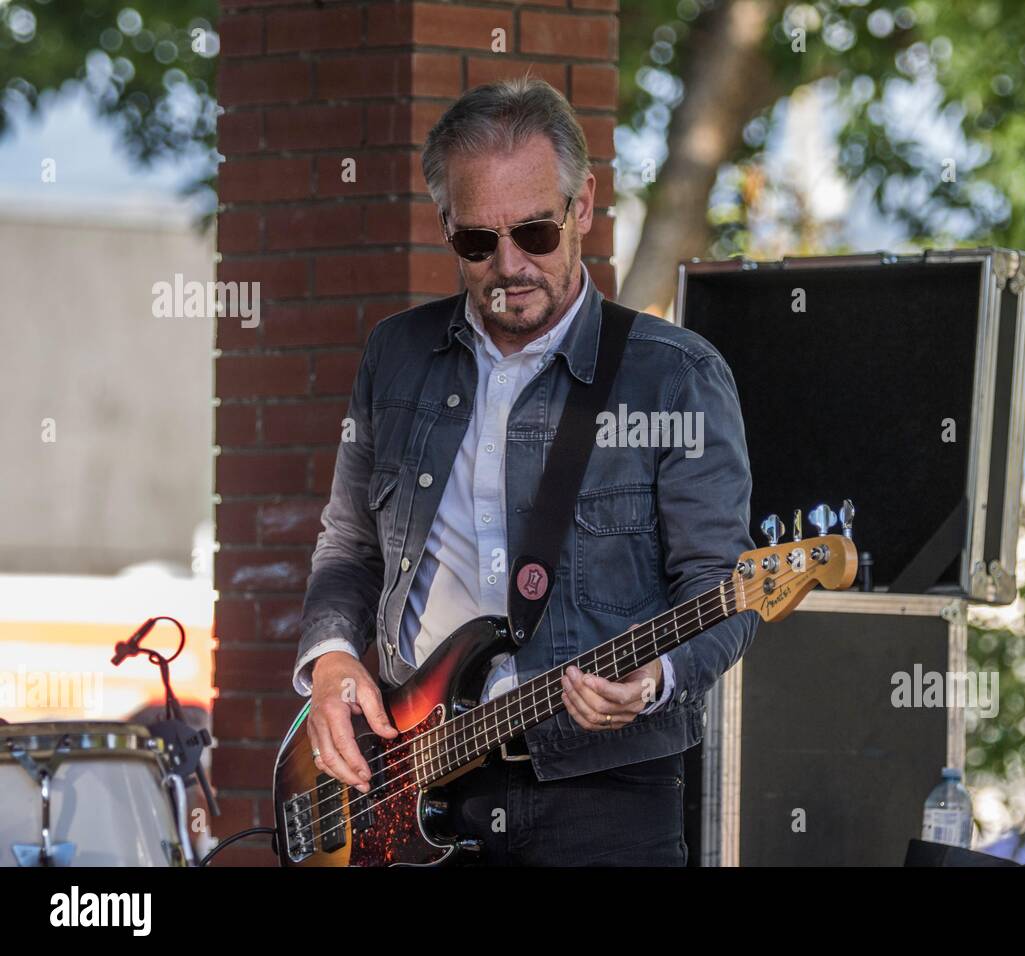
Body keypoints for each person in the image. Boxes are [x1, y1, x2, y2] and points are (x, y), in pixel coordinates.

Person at [293, 76, 757, 865]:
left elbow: (724, 587)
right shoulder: (396, 356)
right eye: (477, 240)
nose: (508, 265)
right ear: (446, 226)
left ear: (582, 207)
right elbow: (350, 546)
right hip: (412, 781)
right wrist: (333, 659)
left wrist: (653, 680)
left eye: (535, 233)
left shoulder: (673, 376)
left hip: (605, 796)